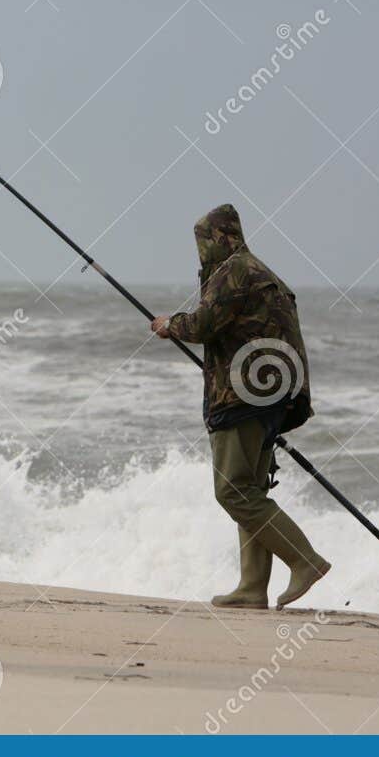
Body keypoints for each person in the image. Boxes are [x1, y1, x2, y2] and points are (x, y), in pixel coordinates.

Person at [149, 203, 331, 610]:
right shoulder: (263, 273)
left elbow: (204, 324)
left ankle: (304, 560)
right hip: (274, 394)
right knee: (250, 488)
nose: (201, 252)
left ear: (218, 240)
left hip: (243, 396)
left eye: (204, 243)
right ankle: (251, 587)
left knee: (232, 491)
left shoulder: (234, 271)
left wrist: (169, 325)